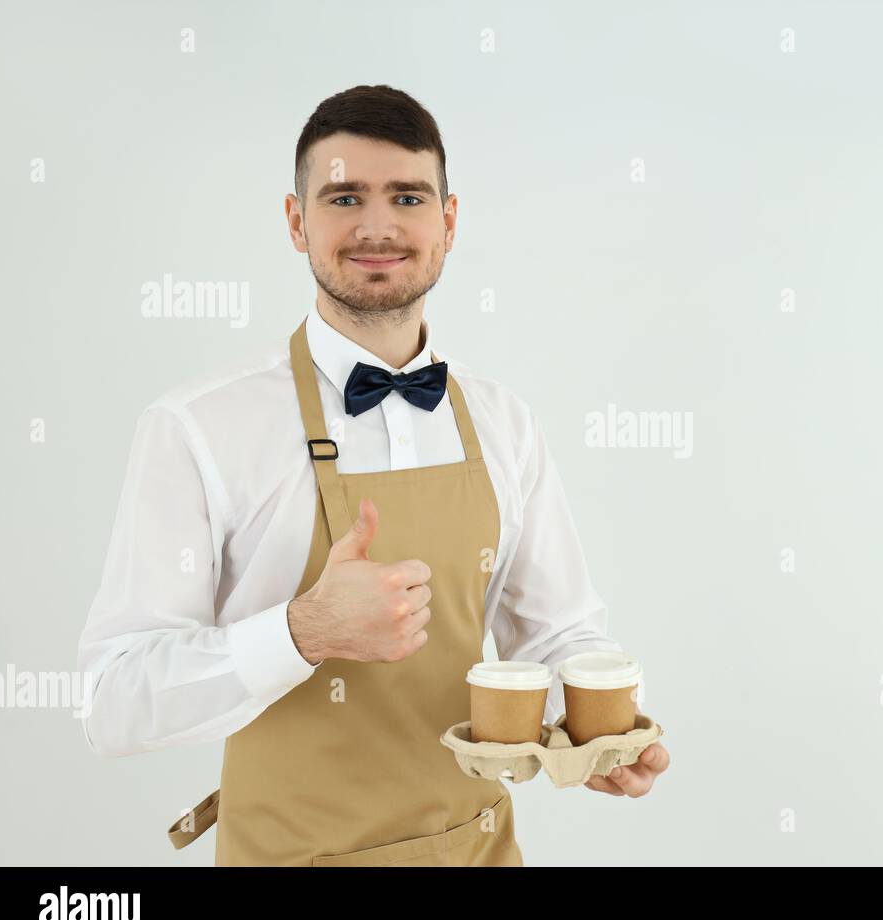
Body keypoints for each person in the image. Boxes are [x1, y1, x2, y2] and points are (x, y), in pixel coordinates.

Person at [77, 84, 669, 866]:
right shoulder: (197, 429)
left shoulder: (505, 422)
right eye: (345, 196)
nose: (378, 226)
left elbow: (558, 631)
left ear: (449, 222)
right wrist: (303, 631)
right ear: (297, 222)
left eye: (408, 196)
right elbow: (113, 702)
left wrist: (602, 732)